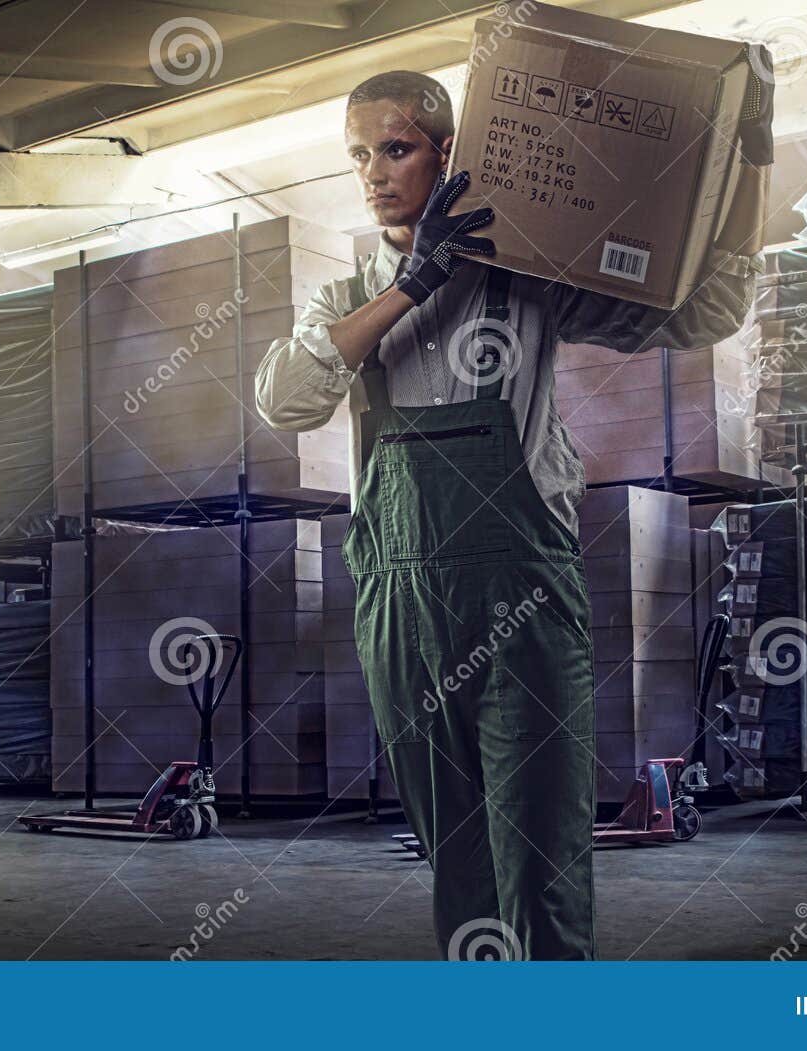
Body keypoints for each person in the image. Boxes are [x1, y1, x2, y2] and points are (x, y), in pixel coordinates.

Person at [254, 70, 770, 960]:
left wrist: (751, 161)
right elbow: (285, 399)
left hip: (519, 594)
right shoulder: (343, 304)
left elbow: (710, 308)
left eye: (397, 148)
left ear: (447, 152)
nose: (374, 173)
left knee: (542, 855)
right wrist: (412, 285)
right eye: (360, 156)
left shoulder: (528, 279)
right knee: (456, 856)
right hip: (401, 604)